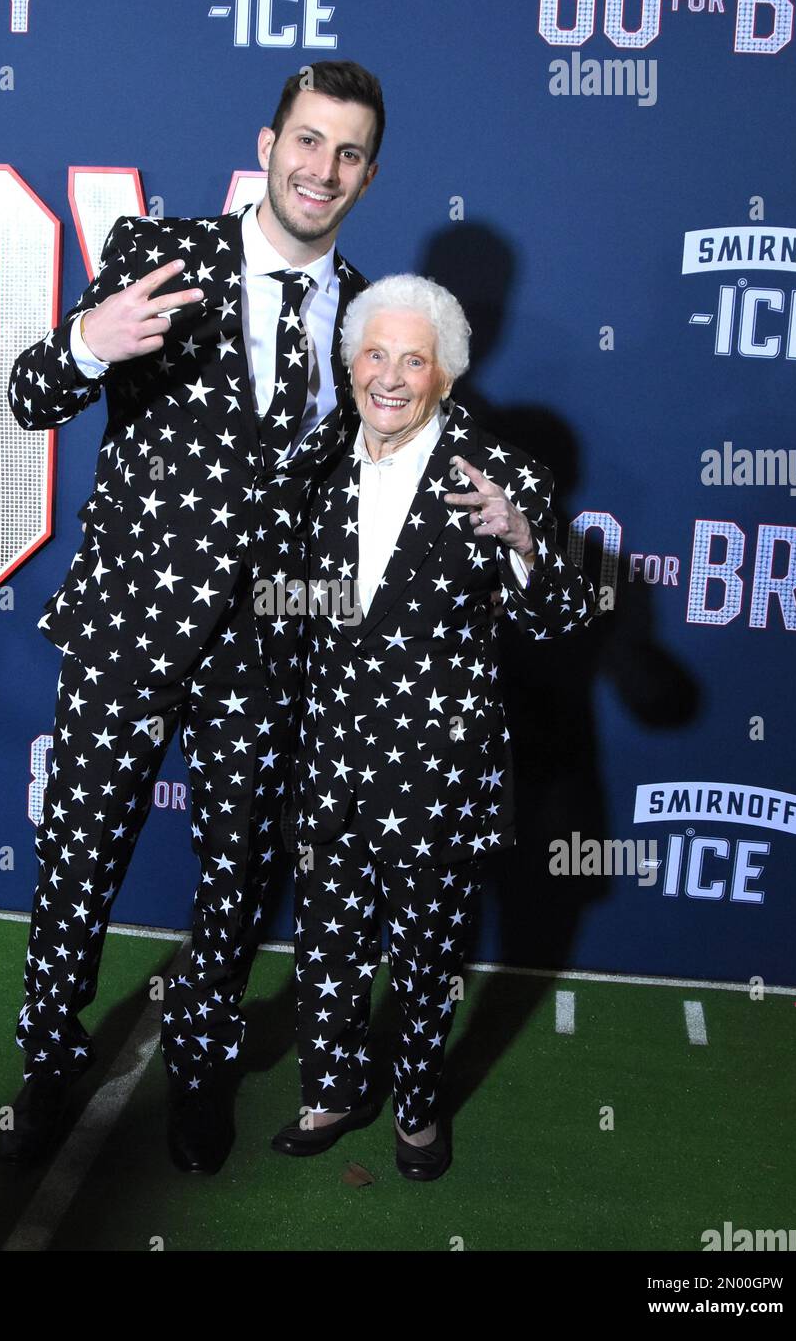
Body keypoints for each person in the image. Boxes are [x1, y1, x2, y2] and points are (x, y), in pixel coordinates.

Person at [0, 61, 384, 1174]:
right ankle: (49, 1058)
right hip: (129, 625)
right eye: (308, 141)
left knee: (237, 870)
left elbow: (354, 496)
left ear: (369, 173)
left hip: (263, 649)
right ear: (268, 143)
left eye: (349, 151)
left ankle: (205, 1066)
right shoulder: (159, 255)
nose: (324, 168)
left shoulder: (367, 315)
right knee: (76, 857)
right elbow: (32, 397)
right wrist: (87, 344)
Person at [272, 275, 596, 1179]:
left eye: (413, 359)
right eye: (374, 354)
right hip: (332, 756)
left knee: (426, 953)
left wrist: (524, 542)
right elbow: (293, 606)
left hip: (437, 770)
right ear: (350, 364)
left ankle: (418, 1110)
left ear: (445, 375)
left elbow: (562, 619)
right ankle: (331, 1089)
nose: (389, 376)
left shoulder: (502, 476)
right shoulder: (315, 462)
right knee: (329, 942)